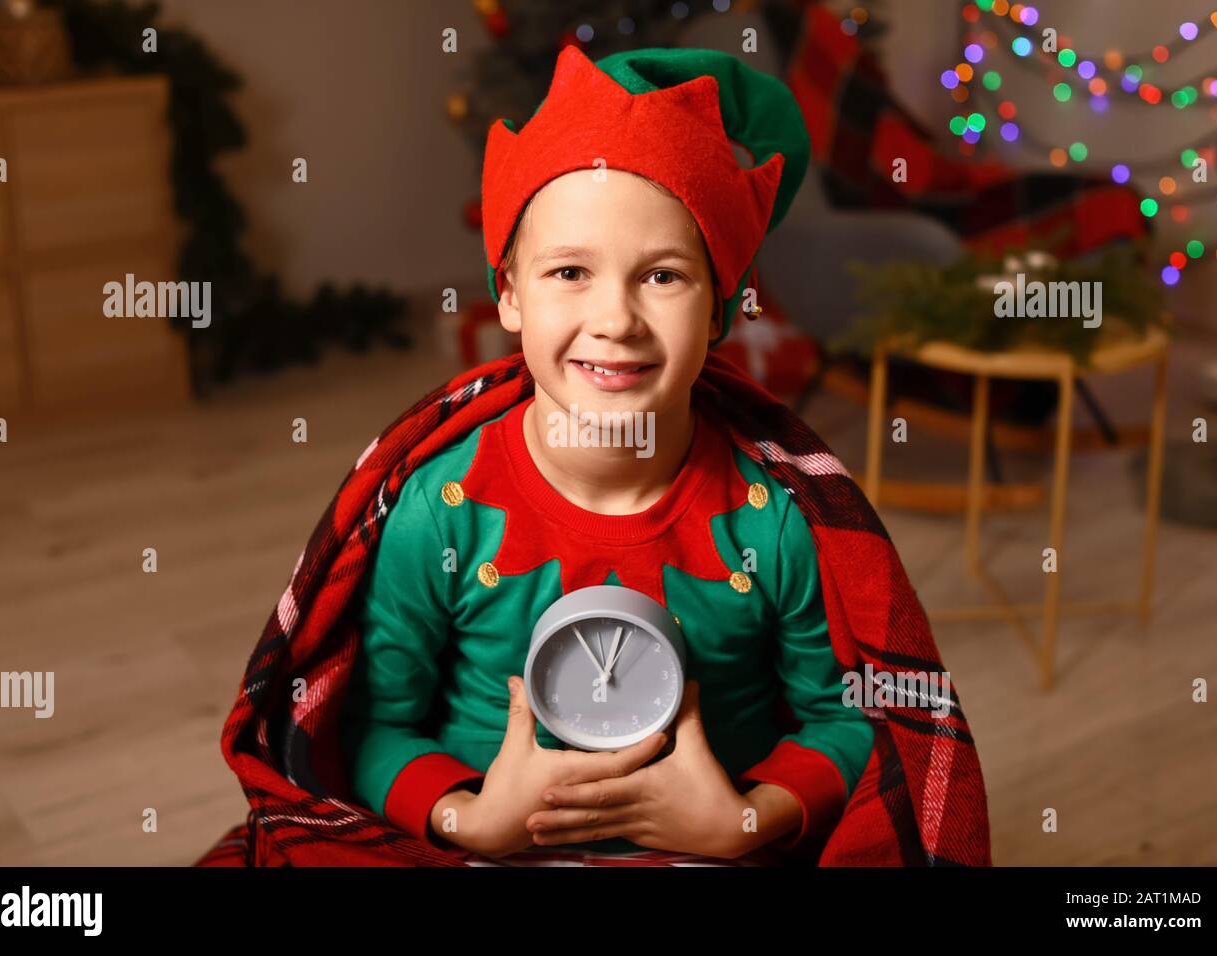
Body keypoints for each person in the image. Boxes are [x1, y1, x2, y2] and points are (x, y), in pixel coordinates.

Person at [338, 44, 874, 866]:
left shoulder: (776, 521)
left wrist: (746, 823)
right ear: (510, 293)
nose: (615, 319)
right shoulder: (439, 511)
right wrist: (465, 821)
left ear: (721, 306)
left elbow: (846, 716)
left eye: (662, 277)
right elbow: (375, 725)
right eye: (569, 271)